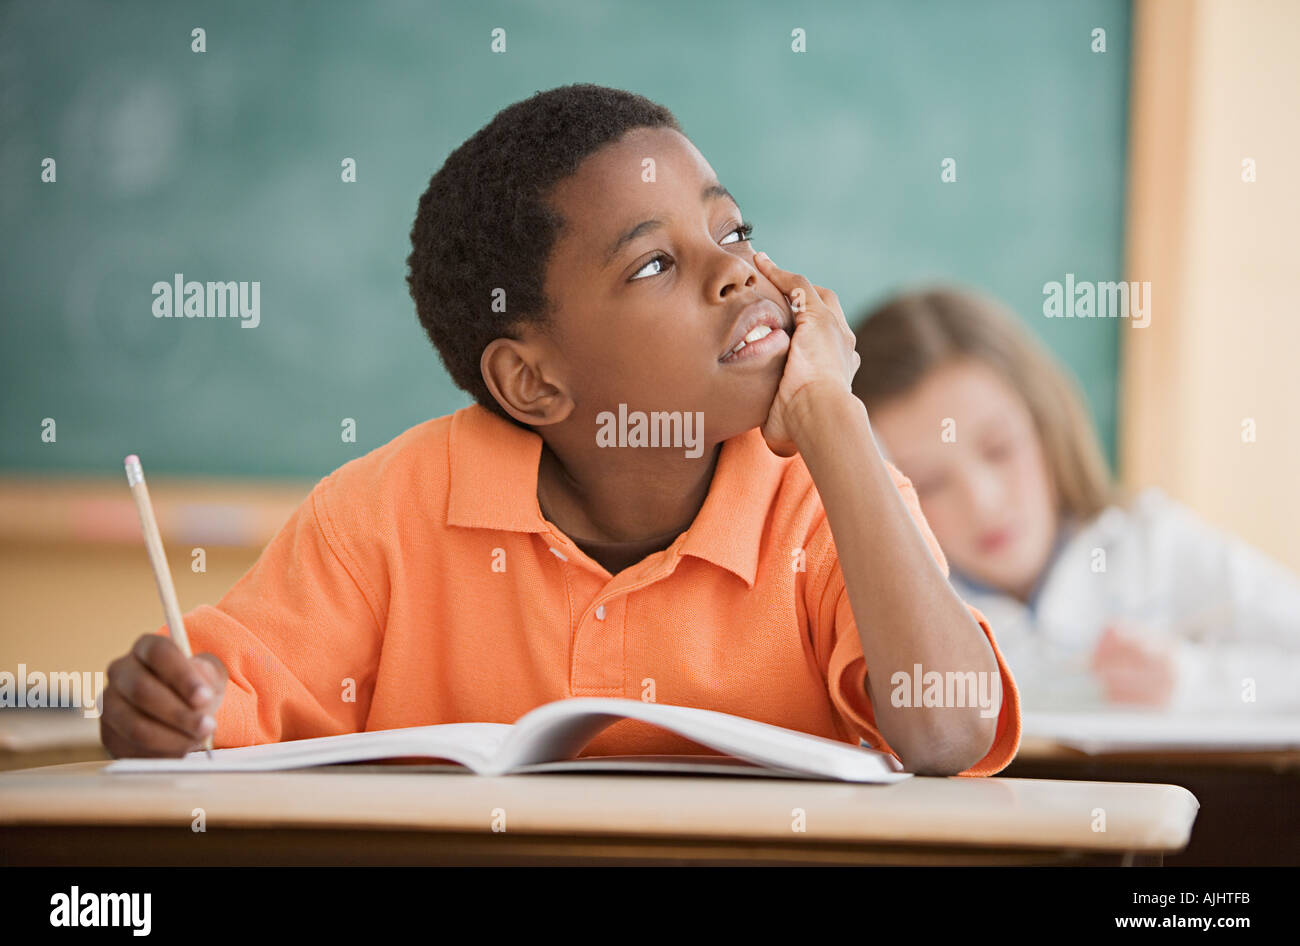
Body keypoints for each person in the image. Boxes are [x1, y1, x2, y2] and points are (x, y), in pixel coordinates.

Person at [99, 85, 1021, 776]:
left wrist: (834, 417)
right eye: (655, 262)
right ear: (533, 382)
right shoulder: (380, 518)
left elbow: (947, 729)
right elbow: (221, 707)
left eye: (734, 230)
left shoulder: (831, 493)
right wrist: (167, 710)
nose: (735, 273)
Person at [852, 287, 1300, 714]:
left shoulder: (1152, 545)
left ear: (1047, 423)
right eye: (927, 483)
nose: (983, 504)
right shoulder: (880, 611)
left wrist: (1189, 679)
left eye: (1000, 448)